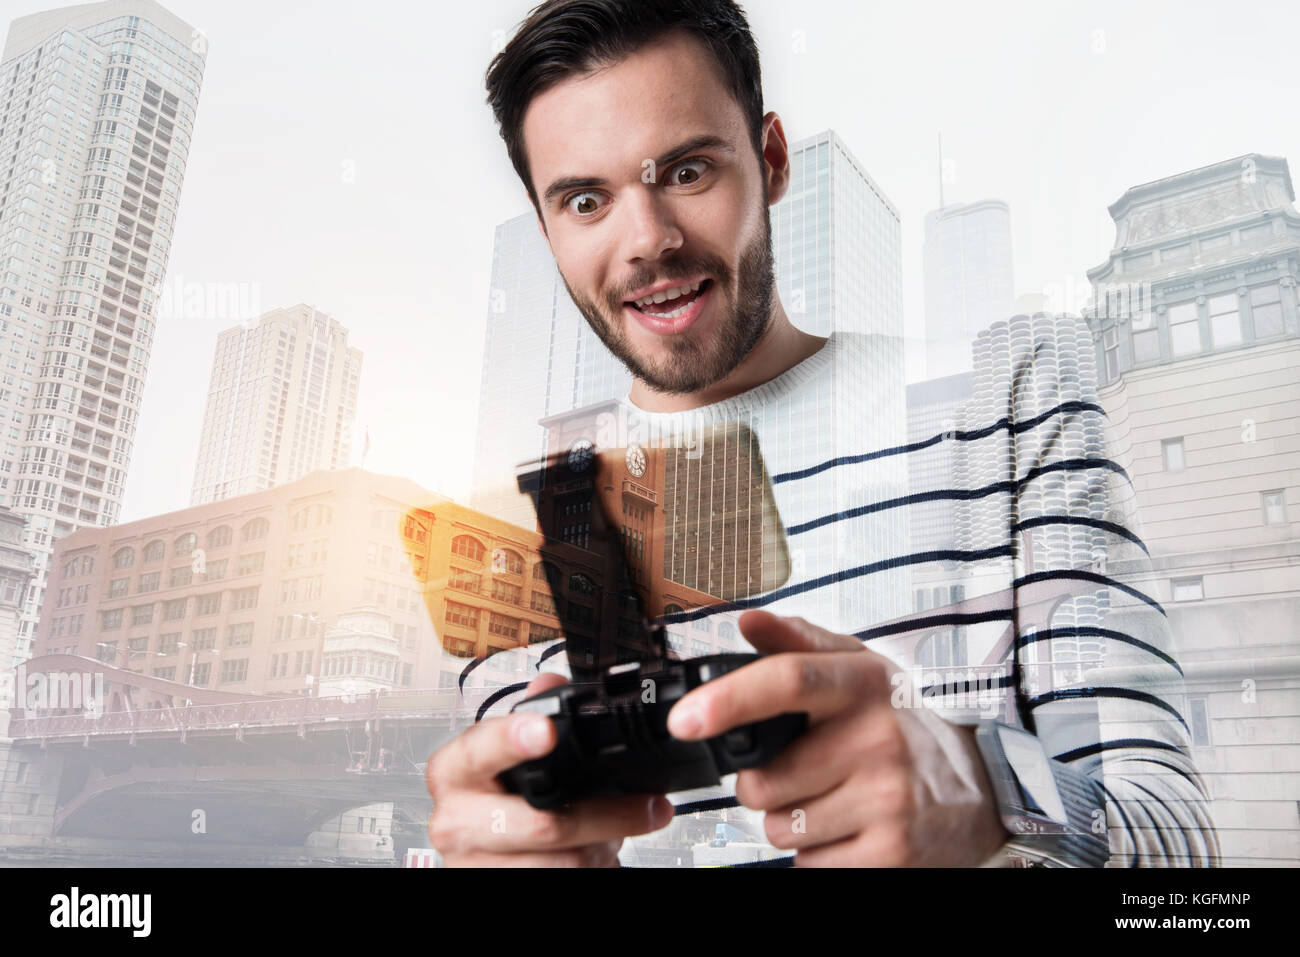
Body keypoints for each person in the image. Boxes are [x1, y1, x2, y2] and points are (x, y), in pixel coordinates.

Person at [425, 0, 1220, 867]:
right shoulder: (515, 544)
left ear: (770, 162)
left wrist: (985, 793)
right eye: (586, 200)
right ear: (548, 231)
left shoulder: (1007, 395)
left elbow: (1185, 864)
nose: (647, 240)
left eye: (687, 172)